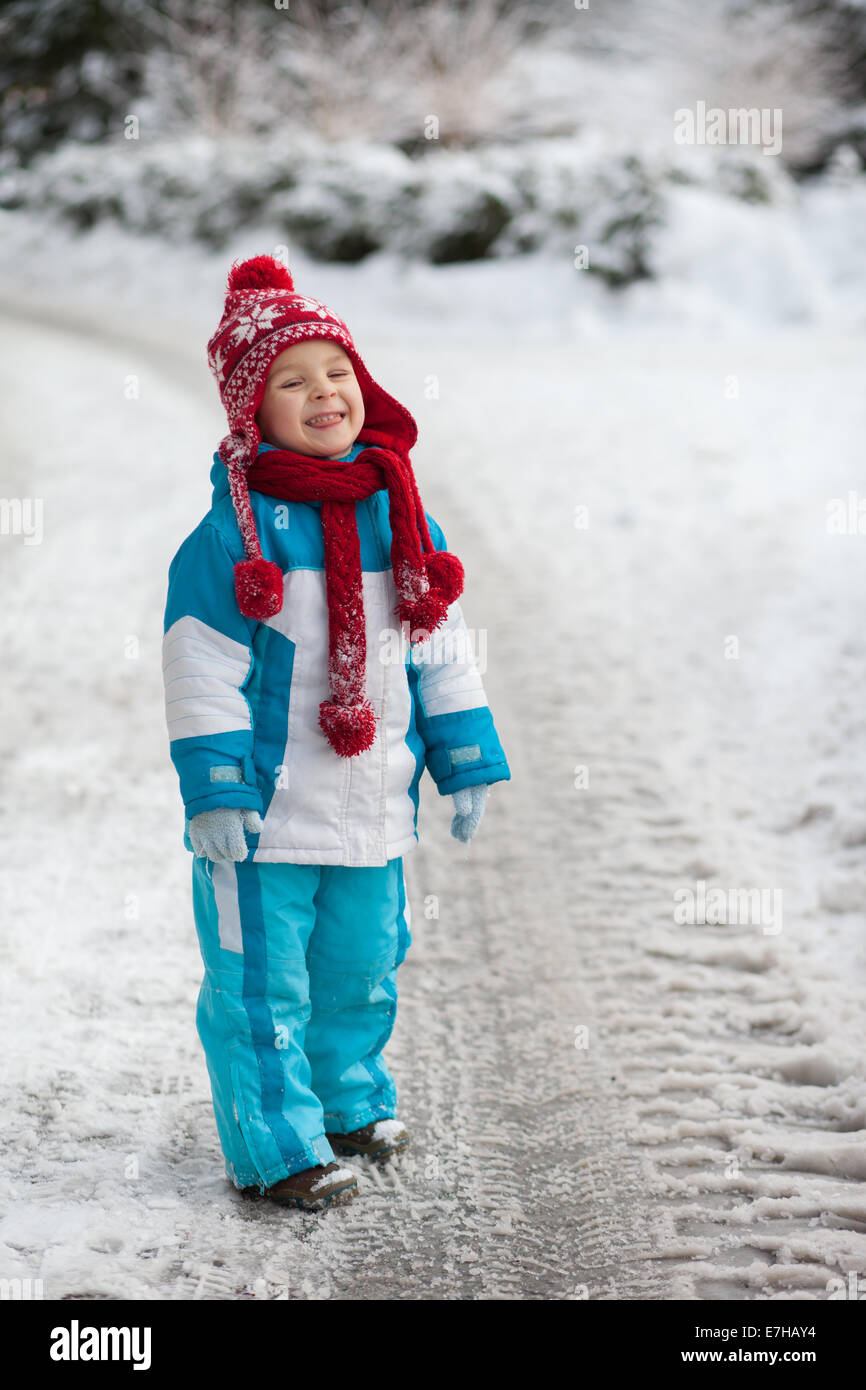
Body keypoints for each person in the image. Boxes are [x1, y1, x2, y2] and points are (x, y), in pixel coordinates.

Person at [161, 254, 510, 1211]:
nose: (324, 393)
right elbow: (200, 667)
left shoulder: (402, 511)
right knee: (261, 991)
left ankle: (348, 1106)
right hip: (267, 818)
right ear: (251, 408)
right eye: (291, 379)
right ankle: (279, 1146)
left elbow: (440, 641)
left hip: (371, 805)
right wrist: (217, 789)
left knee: (361, 969)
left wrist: (465, 754)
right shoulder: (234, 538)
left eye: (338, 373)